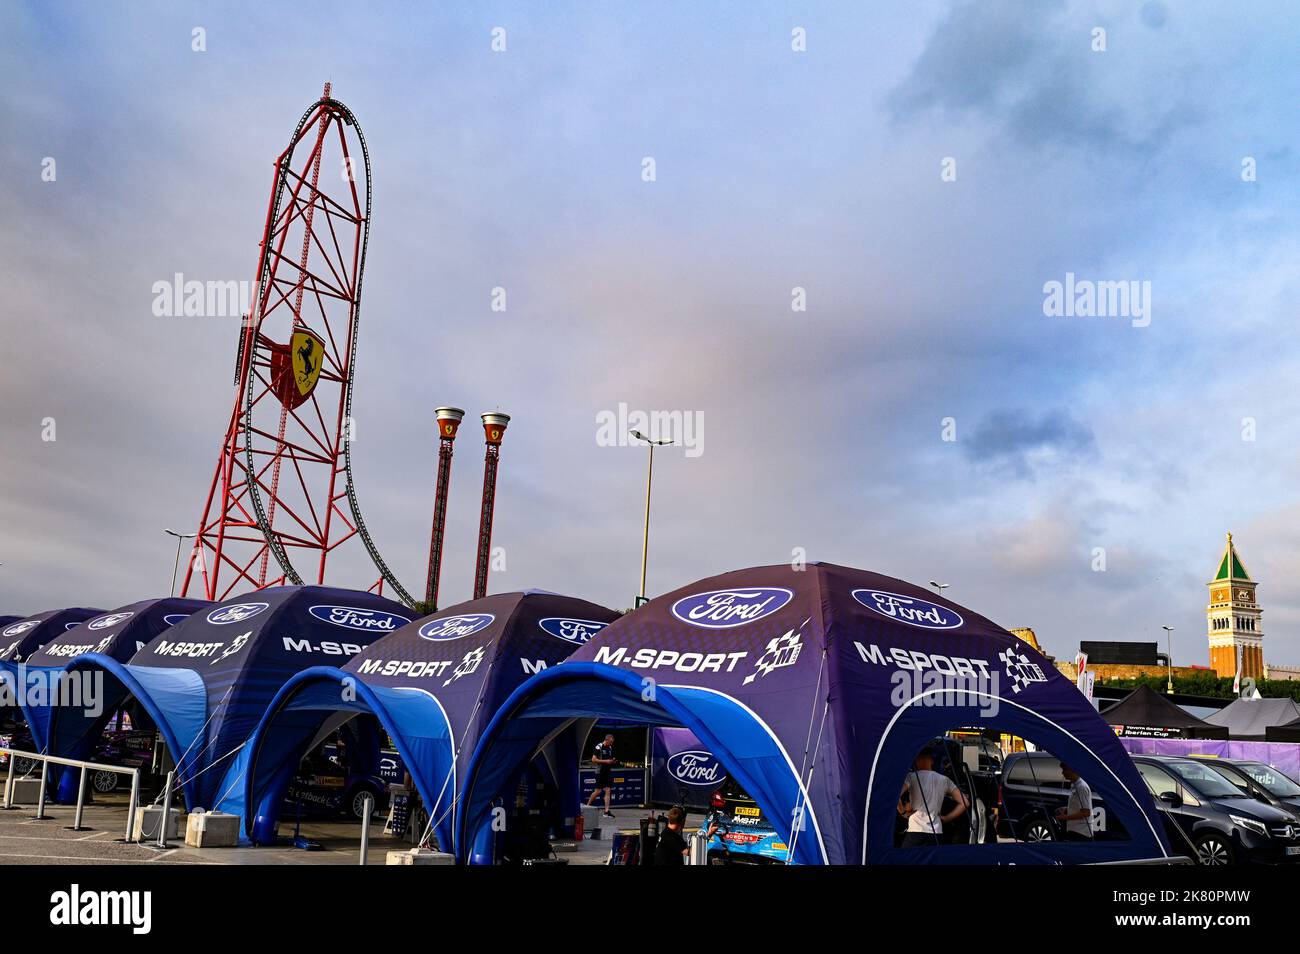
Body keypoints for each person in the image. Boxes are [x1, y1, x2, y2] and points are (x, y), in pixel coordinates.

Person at [898, 748, 967, 847]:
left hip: (915, 831)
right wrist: (947, 818)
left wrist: (903, 812)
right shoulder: (944, 780)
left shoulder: (911, 777)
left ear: (917, 759)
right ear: (932, 760)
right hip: (936, 833)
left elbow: (895, 795)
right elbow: (965, 802)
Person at [1055, 764, 1094, 841]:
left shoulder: (1082, 787)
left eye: (1064, 770)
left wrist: (1065, 817)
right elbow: (1080, 807)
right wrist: (1067, 809)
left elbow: (1086, 812)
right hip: (1075, 830)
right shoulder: (1075, 785)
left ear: (1072, 770)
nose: (1062, 773)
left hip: (1081, 833)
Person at [586, 733, 617, 818]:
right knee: (598, 791)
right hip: (600, 772)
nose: (611, 743)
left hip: (607, 771)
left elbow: (608, 759)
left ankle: (606, 811)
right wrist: (606, 761)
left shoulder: (610, 747)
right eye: (610, 742)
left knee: (608, 790)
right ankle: (587, 806)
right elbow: (593, 759)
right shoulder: (599, 746)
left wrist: (612, 761)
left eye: (612, 742)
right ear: (606, 740)